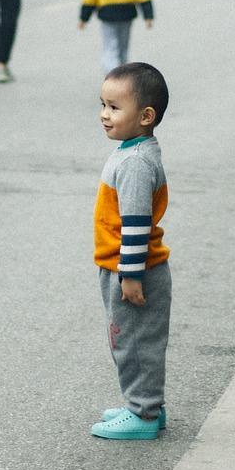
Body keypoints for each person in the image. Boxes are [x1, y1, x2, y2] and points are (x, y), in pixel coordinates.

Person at [90, 62, 172, 441]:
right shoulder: (131, 150)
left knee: (135, 343)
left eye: (114, 107)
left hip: (134, 270)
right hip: (125, 266)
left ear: (145, 116)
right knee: (131, 341)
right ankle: (146, 404)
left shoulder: (136, 163)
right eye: (103, 105)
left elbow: (136, 224)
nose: (105, 115)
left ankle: (143, 412)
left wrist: (131, 275)